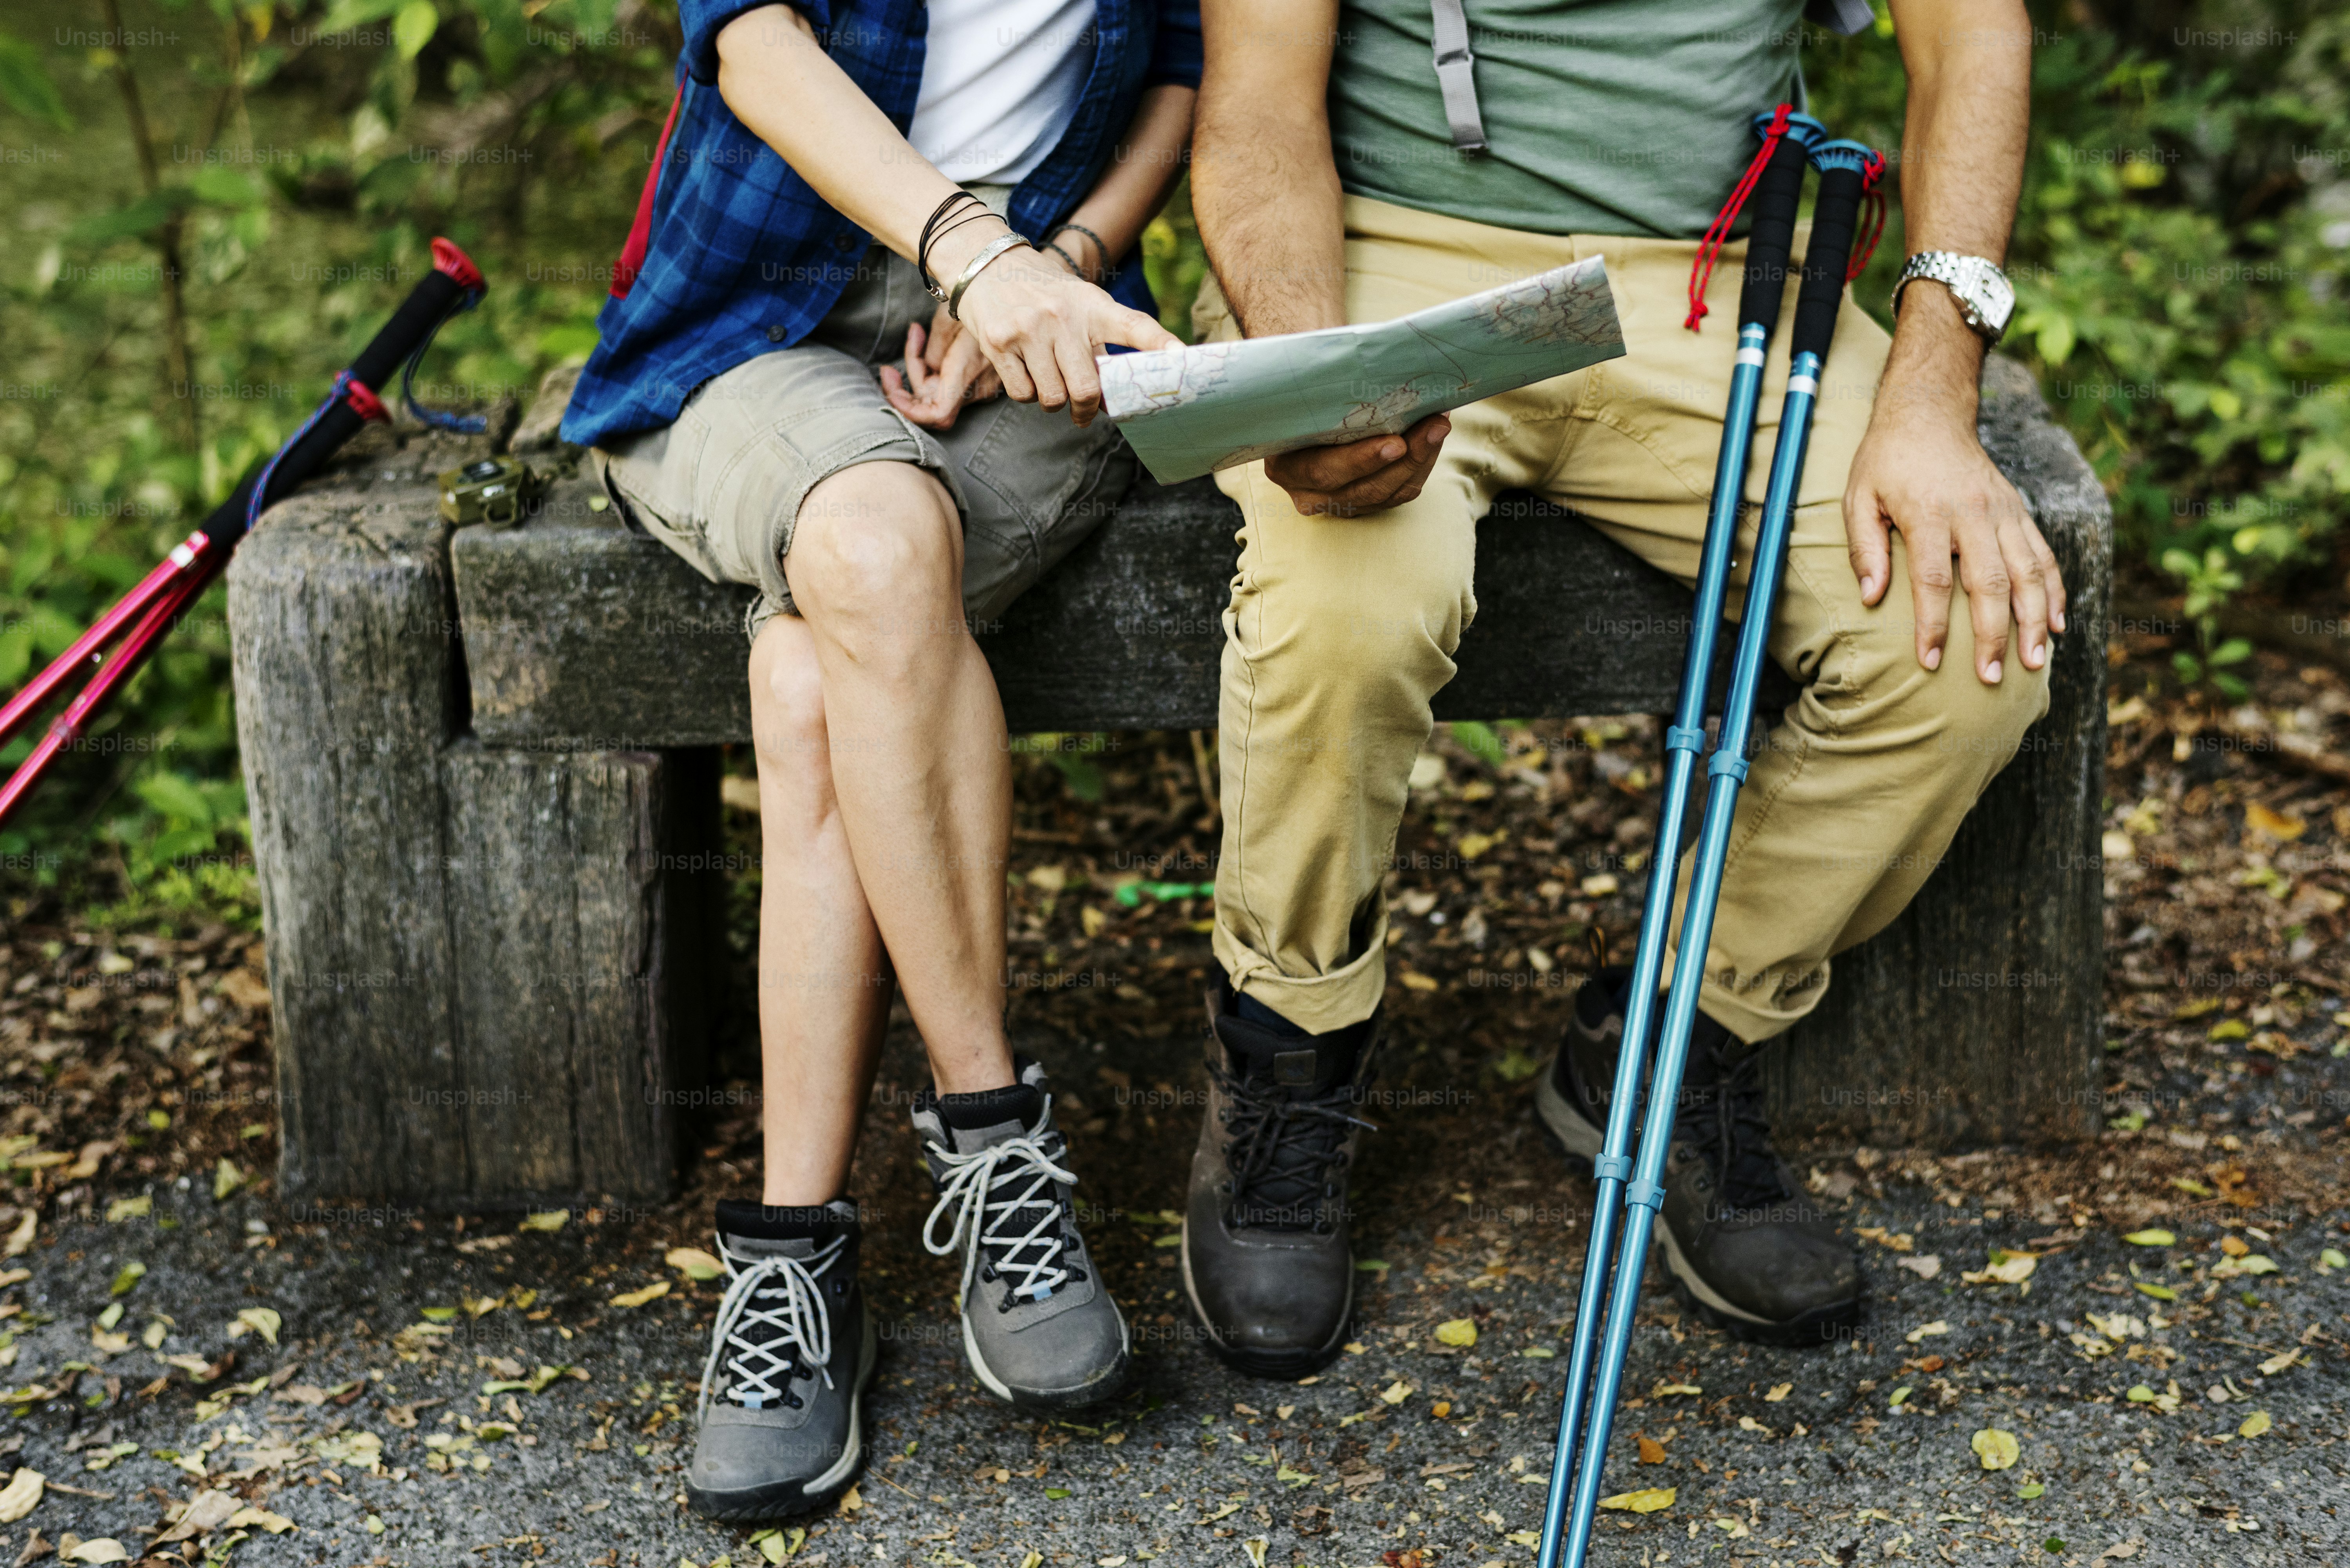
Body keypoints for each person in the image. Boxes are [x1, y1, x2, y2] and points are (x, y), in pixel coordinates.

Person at [1177, 0, 2064, 1371]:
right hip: (1380, 254)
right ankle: (1287, 1046)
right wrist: (1308, 355)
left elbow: (1968, 34)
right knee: (1342, 605)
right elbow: (1254, 101)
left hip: (1719, 275)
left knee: (1955, 641)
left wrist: (1935, 396)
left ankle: (1666, 1043)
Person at [560, 0, 1198, 1522]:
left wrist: (1062, 271)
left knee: (805, 678)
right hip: (747, 334)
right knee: (867, 537)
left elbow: (1180, 70)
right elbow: (751, 44)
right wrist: (970, 246)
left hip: (1027, 345)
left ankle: (795, 1251)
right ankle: (998, 1139)